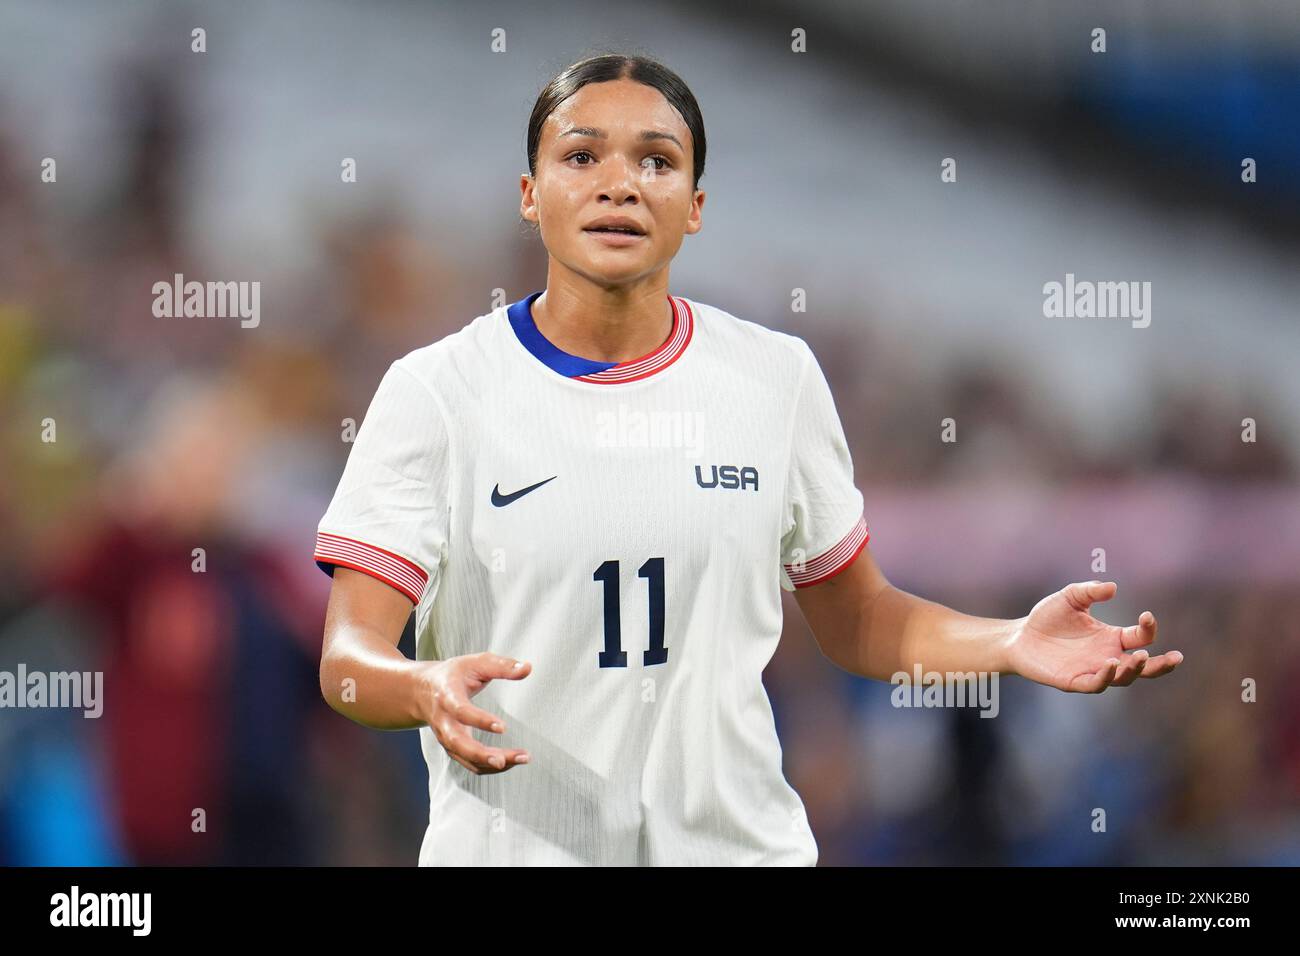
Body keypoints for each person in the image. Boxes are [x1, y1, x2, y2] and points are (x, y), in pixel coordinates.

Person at [313, 52, 1182, 866]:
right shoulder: (436, 392)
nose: (619, 182)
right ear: (530, 194)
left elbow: (857, 619)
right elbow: (349, 658)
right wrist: (423, 685)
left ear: (695, 204)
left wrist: (1010, 643)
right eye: (582, 156)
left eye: (657, 160)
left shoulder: (775, 378)